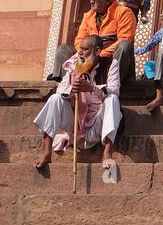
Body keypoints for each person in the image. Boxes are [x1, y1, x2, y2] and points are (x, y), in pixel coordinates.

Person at [33, 34, 122, 173]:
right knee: (55, 99)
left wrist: (91, 88)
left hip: (97, 126)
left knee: (112, 99)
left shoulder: (111, 64)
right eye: (80, 48)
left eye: (85, 49)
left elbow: (114, 90)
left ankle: (107, 152)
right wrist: (71, 90)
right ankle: (46, 150)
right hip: (75, 126)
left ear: (97, 51)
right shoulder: (74, 64)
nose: (80, 53)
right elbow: (61, 89)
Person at [50, 0, 136, 85]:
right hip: (88, 60)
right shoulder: (88, 16)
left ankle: (108, 84)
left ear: (107, 0)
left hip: (109, 62)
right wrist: (85, 54)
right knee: (63, 49)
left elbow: (125, 39)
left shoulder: (124, 13)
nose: (91, 1)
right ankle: (67, 85)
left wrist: (98, 56)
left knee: (124, 46)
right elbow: (79, 41)